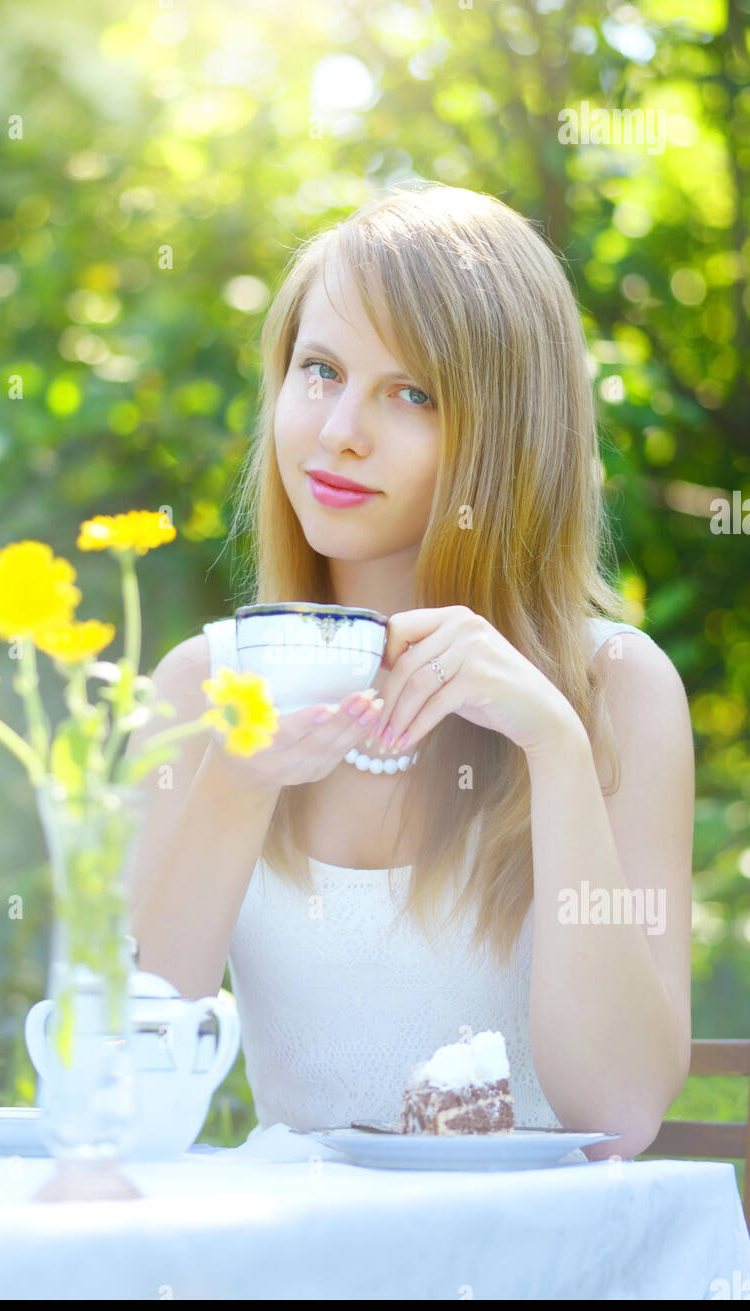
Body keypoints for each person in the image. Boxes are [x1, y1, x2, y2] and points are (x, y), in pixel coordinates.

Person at [128, 184, 693, 1163]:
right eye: (321, 370)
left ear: (506, 436)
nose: (341, 428)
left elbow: (623, 1111)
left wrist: (553, 745)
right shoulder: (198, 690)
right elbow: (126, 1089)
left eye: (413, 393)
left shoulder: (616, 694)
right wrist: (238, 779)